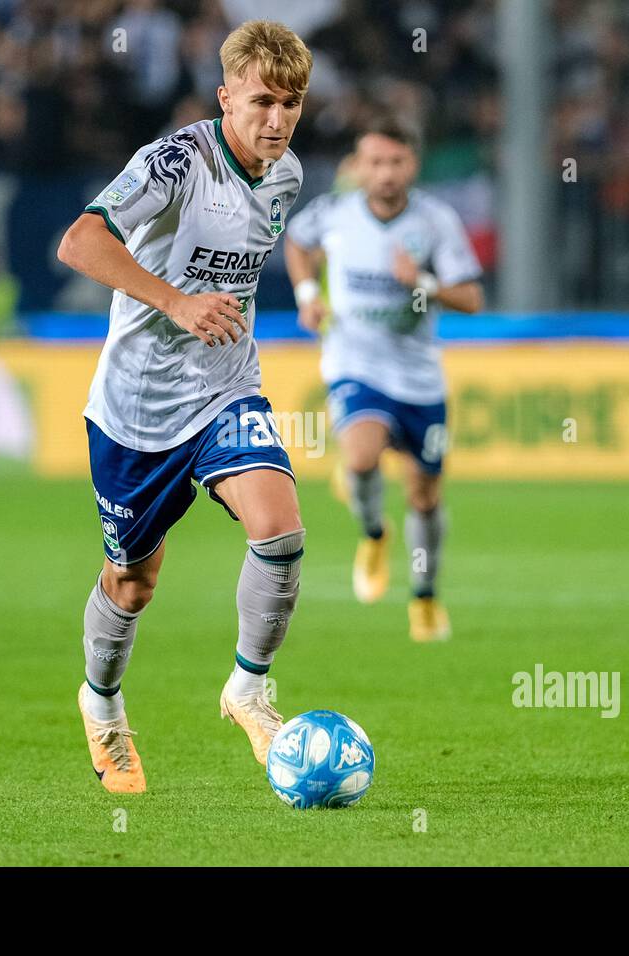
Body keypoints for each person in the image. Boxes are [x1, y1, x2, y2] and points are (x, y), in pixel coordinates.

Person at [55, 20, 313, 793]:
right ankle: (101, 703)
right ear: (225, 94)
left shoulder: (288, 176)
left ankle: (249, 689)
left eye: (292, 103)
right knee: (133, 581)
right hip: (135, 408)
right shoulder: (173, 162)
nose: (276, 120)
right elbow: (78, 242)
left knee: (281, 530)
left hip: (226, 388)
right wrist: (174, 302)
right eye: (262, 101)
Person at [284, 119, 484, 642]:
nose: (385, 173)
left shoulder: (436, 221)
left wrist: (420, 282)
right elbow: (296, 243)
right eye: (374, 162)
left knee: (424, 496)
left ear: (412, 165)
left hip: (419, 377)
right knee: (361, 456)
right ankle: (374, 533)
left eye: (395, 162)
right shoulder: (335, 212)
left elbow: (471, 298)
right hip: (355, 363)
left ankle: (424, 596)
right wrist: (308, 296)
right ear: (359, 165)